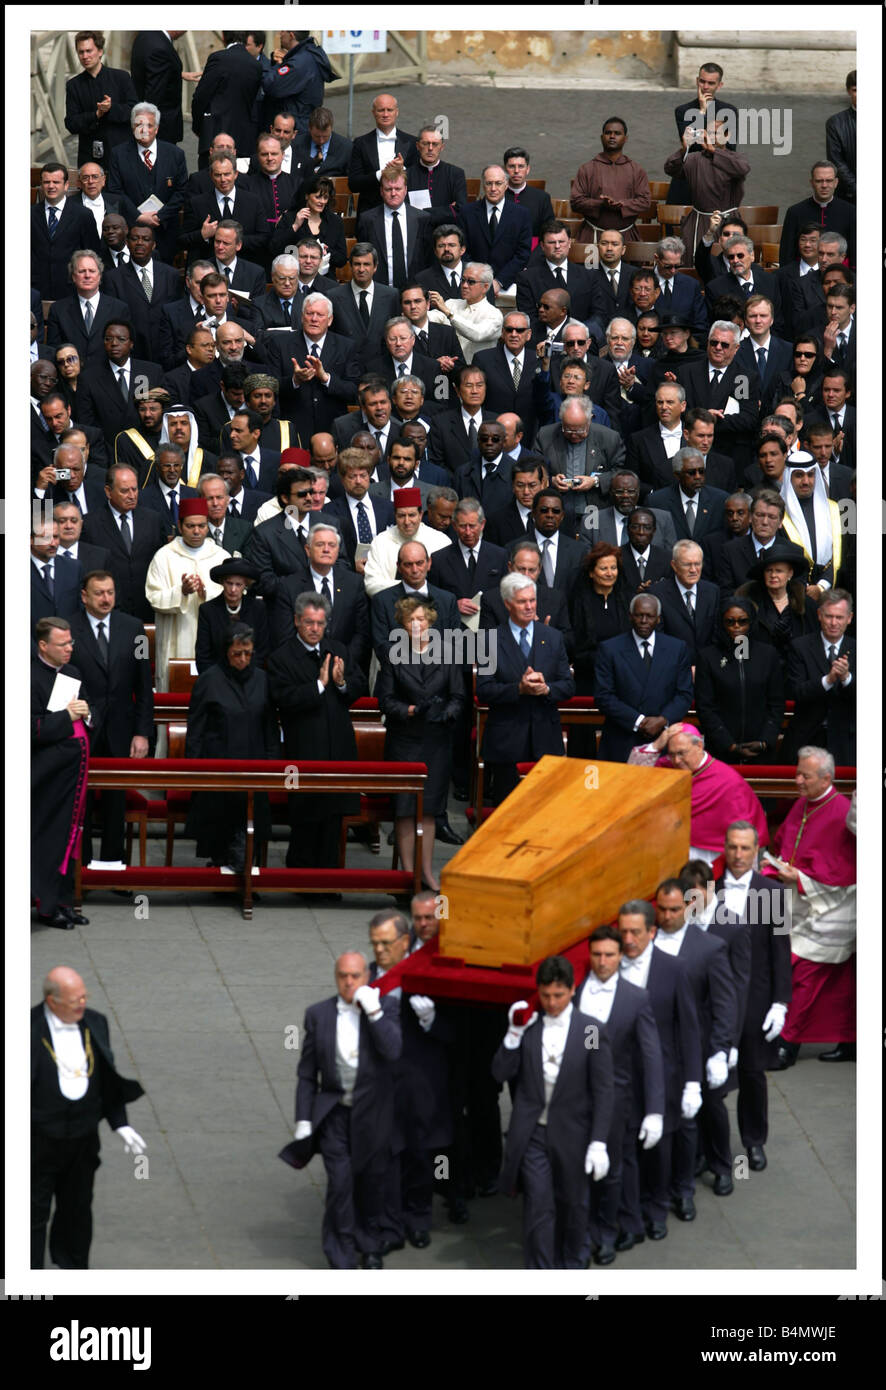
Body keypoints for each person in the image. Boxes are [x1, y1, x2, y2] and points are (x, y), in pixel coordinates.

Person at [491, 956, 614, 1269]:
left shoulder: (590, 1030)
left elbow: (603, 1090)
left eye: (559, 995)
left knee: (573, 1204)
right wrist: (513, 1035)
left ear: (573, 990)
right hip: (533, 1135)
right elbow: (499, 1073)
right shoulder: (528, 1027)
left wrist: (599, 1141)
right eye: (545, 995)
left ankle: (573, 1262)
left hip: (574, 1135)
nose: (552, 1002)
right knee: (538, 1207)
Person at [32, 966, 146, 1268]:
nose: (82, 1004)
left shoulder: (95, 1023)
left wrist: (120, 1123)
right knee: (31, 1214)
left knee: (78, 1210)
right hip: (37, 1142)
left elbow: (107, 1078)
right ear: (52, 1001)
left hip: (82, 1141)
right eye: (74, 1000)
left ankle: (72, 1269)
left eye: (85, 997)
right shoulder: (25, 1031)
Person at [294, 952, 401, 1268]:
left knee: (370, 1182)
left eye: (355, 976)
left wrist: (375, 1012)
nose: (349, 982)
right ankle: (340, 1255)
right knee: (340, 1185)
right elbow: (306, 1072)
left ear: (367, 977)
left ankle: (369, 1243)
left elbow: (393, 1051)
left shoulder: (387, 1008)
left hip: (373, 1116)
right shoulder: (319, 1015)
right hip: (336, 1116)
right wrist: (303, 1117)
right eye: (343, 976)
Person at [577, 927, 665, 1263]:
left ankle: (606, 1232)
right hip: (575, 1098)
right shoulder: (575, 991)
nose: (602, 962)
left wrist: (655, 1109)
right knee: (577, 1170)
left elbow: (651, 1053)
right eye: (597, 955)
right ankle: (581, 1232)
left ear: (619, 957)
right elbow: (581, 1044)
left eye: (609, 955)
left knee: (612, 1171)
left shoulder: (635, 998)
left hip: (615, 1101)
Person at [763, 749, 856, 1065]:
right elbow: (785, 847)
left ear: (827, 778)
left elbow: (842, 870)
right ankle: (851, 1039)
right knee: (838, 980)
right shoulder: (801, 805)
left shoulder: (842, 810)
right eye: (797, 773)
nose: (798, 780)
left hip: (835, 906)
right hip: (802, 901)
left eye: (805, 776)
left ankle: (787, 1044)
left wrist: (798, 876)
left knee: (803, 970)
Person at [615, 900, 703, 1231]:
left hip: (663, 1074)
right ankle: (631, 1211)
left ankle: (658, 1209)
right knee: (627, 1147)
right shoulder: (609, 964)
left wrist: (693, 1081)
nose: (629, 940)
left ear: (652, 932)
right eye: (623, 932)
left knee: (660, 1148)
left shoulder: (674, 969)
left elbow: (689, 1028)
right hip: (622, 1074)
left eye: (636, 932)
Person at [268, 592, 367, 869]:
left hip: (338, 747)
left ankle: (330, 877)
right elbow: (282, 698)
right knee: (307, 815)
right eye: (309, 623)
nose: (315, 629)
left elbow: (358, 685)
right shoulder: (281, 657)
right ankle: (301, 875)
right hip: (305, 747)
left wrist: (342, 681)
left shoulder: (338, 649)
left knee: (334, 817)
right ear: (297, 621)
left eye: (320, 624)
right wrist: (320, 685)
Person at [715, 821, 792, 1170]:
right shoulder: (704, 890)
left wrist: (781, 1002)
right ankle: (708, 1149)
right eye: (733, 847)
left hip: (755, 1000)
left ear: (757, 849)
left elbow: (781, 952)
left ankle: (753, 1141)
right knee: (709, 1078)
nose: (739, 854)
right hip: (713, 1000)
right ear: (724, 847)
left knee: (752, 1073)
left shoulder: (771, 893)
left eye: (745, 848)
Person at [653, 879, 737, 1199]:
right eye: (662, 909)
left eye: (675, 909)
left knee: (711, 1107)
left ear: (688, 908)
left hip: (699, 1044)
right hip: (660, 1044)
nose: (668, 916)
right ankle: (678, 1175)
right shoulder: (647, 943)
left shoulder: (709, 947)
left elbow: (724, 1003)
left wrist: (720, 1049)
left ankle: (721, 1165)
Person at [375, 598, 464, 891]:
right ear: (403, 625)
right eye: (411, 620)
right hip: (404, 740)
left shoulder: (447, 654)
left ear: (430, 622)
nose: (418, 625)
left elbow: (458, 698)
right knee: (404, 808)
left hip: (436, 740)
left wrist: (444, 713)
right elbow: (385, 700)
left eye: (422, 620)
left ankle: (426, 872)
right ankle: (407, 875)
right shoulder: (393, 656)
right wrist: (411, 711)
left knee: (428, 809)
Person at [68, 572, 153, 867]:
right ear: (84, 596)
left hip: (121, 728)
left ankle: (115, 865)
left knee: (117, 800)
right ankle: (83, 869)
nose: (106, 599)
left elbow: (144, 685)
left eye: (110, 592)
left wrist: (142, 733)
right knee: (82, 801)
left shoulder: (135, 628)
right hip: (82, 730)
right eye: (99, 593)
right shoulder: (69, 629)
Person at [184, 624, 279, 871]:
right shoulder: (209, 680)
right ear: (227, 651)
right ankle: (221, 869)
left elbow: (270, 728)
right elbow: (196, 730)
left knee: (250, 828)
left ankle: (248, 875)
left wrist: (272, 763)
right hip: (218, 766)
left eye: (248, 653)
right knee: (221, 831)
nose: (243, 659)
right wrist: (193, 770)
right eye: (237, 653)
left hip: (254, 764)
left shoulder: (262, 680)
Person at [476, 571, 575, 803]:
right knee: (507, 812)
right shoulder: (489, 640)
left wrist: (547, 689)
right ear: (508, 604)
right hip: (506, 741)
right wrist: (517, 689)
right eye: (522, 601)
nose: (529, 606)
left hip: (545, 739)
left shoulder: (552, 637)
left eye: (532, 600)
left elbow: (568, 686)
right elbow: (484, 689)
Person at [31, 619, 91, 929]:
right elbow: (30, 729)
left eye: (71, 643)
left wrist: (86, 713)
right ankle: (46, 907)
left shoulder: (72, 673)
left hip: (73, 775)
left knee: (71, 838)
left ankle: (64, 903)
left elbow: (85, 713)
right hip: (47, 776)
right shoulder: (28, 677)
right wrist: (66, 716)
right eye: (62, 644)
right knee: (51, 839)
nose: (70, 649)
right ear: (43, 646)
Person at [643, 723, 769, 861]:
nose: (676, 760)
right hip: (675, 852)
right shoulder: (668, 767)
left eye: (681, 753)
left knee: (711, 882)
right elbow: (633, 779)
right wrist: (656, 745)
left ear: (699, 747)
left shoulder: (728, 781)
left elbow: (744, 833)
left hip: (713, 857)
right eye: (672, 754)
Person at [594, 594, 693, 762]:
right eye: (639, 615)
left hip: (665, 740)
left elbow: (684, 694)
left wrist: (662, 720)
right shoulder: (610, 649)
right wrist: (639, 722)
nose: (644, 621)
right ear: (630, 616)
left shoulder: (677, 648)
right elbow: (604, 696)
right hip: (622, 739)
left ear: (659, 619)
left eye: (650, 616)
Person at [144, 497, 227, 690]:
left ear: (208, 527)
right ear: (180, 527)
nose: (197, 531)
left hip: (211, 642)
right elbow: (153, 597)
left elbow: (234, 596)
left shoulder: (221, 556)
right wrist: (181, 592)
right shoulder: (164, 556)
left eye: (201, 525)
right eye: (190, 526)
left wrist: (205, 591)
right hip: (176, 637)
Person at [694, 598, 785, 762]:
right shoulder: (708, 657)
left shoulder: (768, 655)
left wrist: (765, 741)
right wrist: (728, 745)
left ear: (751, 622)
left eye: (742, 621)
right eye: (730, 622)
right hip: (722, 750)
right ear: (722, 624)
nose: (736, 627)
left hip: (761, 749)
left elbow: (777, 704)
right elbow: (705, 707)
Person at [80, 464, 168, 622]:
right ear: (108, 491)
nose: (132, 495)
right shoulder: (90, 524)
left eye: (134, 489)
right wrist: (40, 493)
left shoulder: (153, 520)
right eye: (124, 491)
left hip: (147, 610)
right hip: (110, 612)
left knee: (144, 647)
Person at [568, 542, 632, 757]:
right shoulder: (577, 602)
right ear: (591, 573)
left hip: (621, 682)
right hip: (588, 680)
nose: (609, 573)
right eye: (603, 568)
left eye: (613, 568)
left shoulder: (626, 600)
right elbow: (575, 646)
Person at [108, 102, 188, 265]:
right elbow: (115, 191)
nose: (144, 130)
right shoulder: (118, 154)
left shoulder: (175, 154)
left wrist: (160, 215)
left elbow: (182, 191)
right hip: (131, 232)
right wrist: (138, 216)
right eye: (139, 125)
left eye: (149, 125)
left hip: (165, 232)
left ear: (157, 129)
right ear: (132, 128)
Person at [663, 119, 750, 262]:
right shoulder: (694, 159)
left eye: (716, 133)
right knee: (697, 262)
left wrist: (714, 151)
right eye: (709, 133)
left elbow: (742, 169)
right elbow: (670, 169)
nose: (712, 137)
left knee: (731, 262)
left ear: (727, 136)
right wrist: (684, 149)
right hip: (699, 221)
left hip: (728, 222)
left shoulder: (735, 158)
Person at [571, 117, 652, 244]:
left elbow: (645, 202)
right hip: (593, 236)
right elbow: (575, 202)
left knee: (628, 265)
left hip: (626, 237)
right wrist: (601, 204)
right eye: (608, 133)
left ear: (626, 138)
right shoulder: (587, 169)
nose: (612, 136)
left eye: (617, 133)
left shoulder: (636, 170)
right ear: (602, 137)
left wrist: (620, 204)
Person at [64, 30, 137, 170]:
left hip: (121, 154)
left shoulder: (122, 77)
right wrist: (96, 115)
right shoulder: (73, 85)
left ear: (100, 51)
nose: (85, 56)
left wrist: (111, 109)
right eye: (81, 52)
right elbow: (71, 123)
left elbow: (134, 112)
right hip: (89, 157)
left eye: (89, 51)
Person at [456, 165, 532, 295]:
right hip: (473, 284)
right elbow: (463, 249)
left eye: (498, 183)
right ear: (483, 185)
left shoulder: (521, 214)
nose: (493, 188)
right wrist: (478, 279)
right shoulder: (466, 212)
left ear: (506, 185)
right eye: (489, 183)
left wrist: (500, 281)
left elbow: (522, 254)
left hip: (508, 284)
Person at [362, 487, 452, 597]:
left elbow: (448, 586)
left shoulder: (441, 541)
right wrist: (414, 588)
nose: (407, 521)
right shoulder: (380, 542)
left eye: (412, 515)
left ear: (420, 515)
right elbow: (371, 585)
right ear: (395, 516)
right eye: (401, 516)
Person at [30, 164, 102, 300]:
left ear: (66, 185)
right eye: (46, 182)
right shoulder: (29, 214)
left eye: (56, 182)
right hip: (36, 289)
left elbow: (93, 253)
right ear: (41, 185)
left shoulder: (83, 215)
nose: (51, 186)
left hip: (72, 289)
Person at [45, 252, 130, 367]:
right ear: (73, 277)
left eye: (92, 271)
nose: (87, 275)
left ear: (99, 275)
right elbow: (54, 349)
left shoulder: (119, 309)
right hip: (72, 376)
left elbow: (125, 349)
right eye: (81, 271)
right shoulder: (58, 309)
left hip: (107, 375)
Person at [191, 33, 261, 169]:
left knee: (208, 183)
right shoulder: (255, 65)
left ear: (223, 37)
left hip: (215, 136)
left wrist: (199, 127)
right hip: (243, 140)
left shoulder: (218, 58)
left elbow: (200, 96)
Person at [649, 538, 720, 666]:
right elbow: (658, 639)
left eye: (697, 564)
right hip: (672, 668)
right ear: (674, 565)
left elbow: (716, 634)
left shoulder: (712, 591)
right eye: (687, 564)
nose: (693, 570)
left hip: (706, 669)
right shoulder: (657, 594)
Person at [195, 556, 270, 672]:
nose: (233, 589)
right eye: (229, 583)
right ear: (222, 582)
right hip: (216, 680)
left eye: (238, 584)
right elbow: (203, 655)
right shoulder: (208, 610)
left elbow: (262, 650)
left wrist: (249, 678)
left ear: (246, 585)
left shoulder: (258, 608)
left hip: (250, 678)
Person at [347, 94, 418, 214]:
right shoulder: (361, 143)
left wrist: (402, 170)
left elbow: (419, 180)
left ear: (397, 112)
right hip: (370, 211)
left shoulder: (412, 143)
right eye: (381, 110)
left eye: (389, 110)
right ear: (373, 112)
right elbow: (354, 184)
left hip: (404, 211)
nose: (385, 114)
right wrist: (381, 174)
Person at [779, 162, 856, 270]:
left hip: (840, 274)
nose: (824, 185)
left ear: (836, 182)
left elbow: (855, 252)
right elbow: (786, 254)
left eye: (829, 181)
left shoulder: (851, 211)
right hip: (802, 277)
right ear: (812, 183)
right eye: (819, 181)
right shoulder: (795, 212)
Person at [269, 173, 348, 274]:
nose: (322, 201)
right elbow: (275, 249)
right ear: (307, 196)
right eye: (318, 197)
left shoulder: (335, 222)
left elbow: (342, 259)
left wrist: (326, 252)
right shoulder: (290, 218)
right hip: (295, 277)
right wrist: (295, 226)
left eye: (325, 197)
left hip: (325, 279)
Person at [427, 262, 504, 363]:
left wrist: (449, 313)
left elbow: (477, 334)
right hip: (450, 369)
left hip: (478, 373)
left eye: (471, 282)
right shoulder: (451, 304)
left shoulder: (494, 314)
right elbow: (428, 318)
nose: (464, 285)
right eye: (463, 280)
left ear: (485, 287)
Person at [260, 31, 333, 128]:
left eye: (283, 31)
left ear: (291, 35)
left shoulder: (299, 62)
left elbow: (271, 85)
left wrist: (273, 66)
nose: (280, 35)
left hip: (295, 126)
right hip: (300, 121)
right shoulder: (306, 54)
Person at [130, 30, 189, 145]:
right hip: (159, 130)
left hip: (145, 121)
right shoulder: (161, 48)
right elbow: (154, 94)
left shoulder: (144, 35)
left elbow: (148, 72)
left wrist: (178, 74)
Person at [825, 71, 856, 204]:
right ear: (849, 91)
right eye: (856, 90)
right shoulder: (836, 123)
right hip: (848, 197)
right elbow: (836, 161)